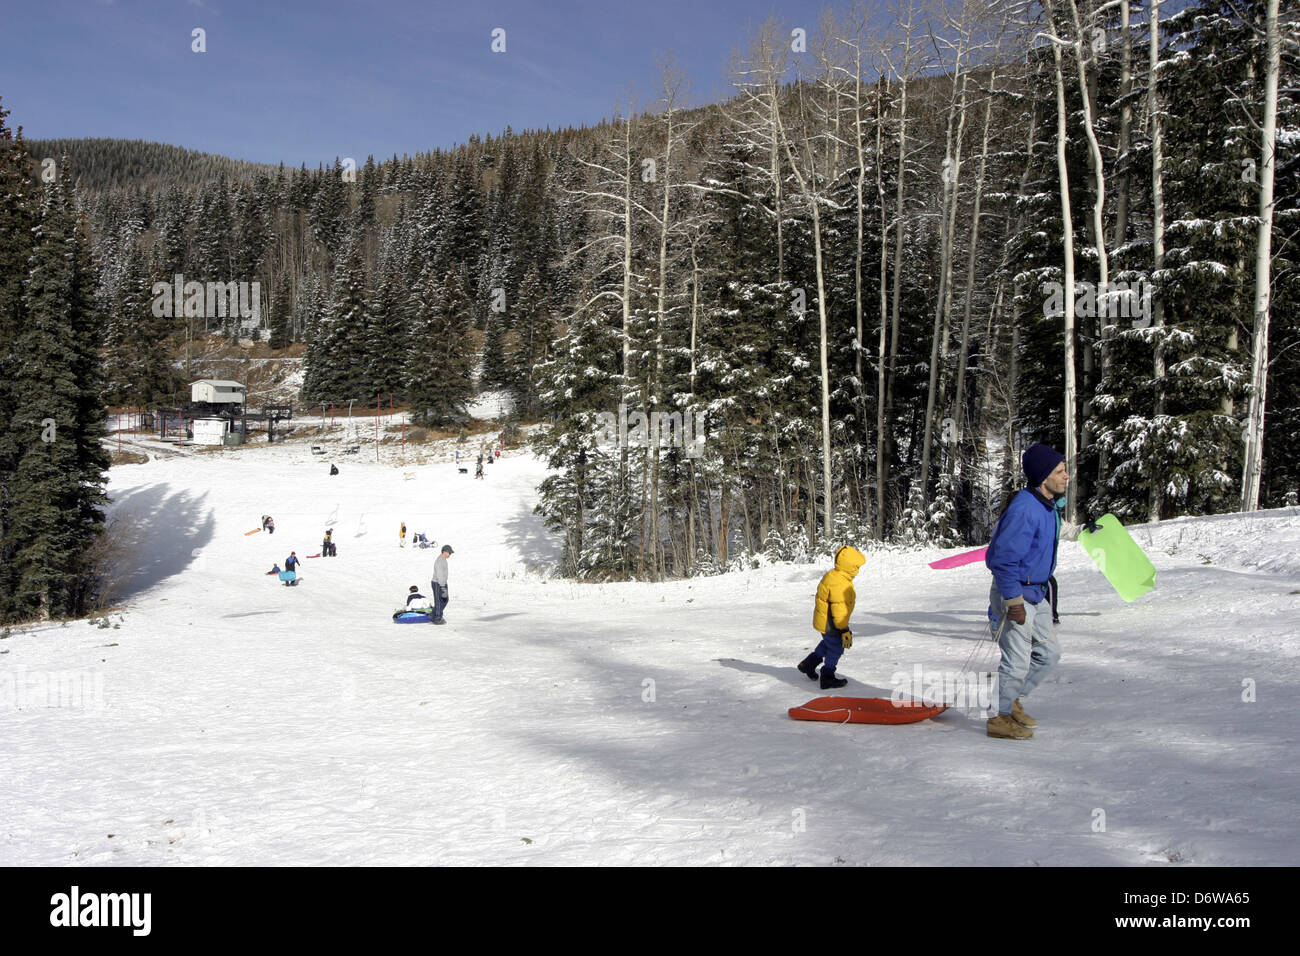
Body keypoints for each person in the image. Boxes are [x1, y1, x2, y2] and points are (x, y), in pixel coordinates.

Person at [983, 444, 1068, 740]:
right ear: (1043, 477)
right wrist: (1013, 602)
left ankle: (1012, 700)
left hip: (1036, 593)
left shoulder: (1048, 505)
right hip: (1016, 594)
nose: (1066, 475)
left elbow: (1052, 533)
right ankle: (998, 716)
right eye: (1060, 471)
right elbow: (1002, 560)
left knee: (1048, 654)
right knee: (1016, 661)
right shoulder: (1024, 509)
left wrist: (1084, 530)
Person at [797, 545, 867, 689]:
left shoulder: (834, 575)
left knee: (828, 644)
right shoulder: (840, 583)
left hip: (825, 622)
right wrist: (843, 629)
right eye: (856, 567)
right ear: (849, 566)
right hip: (832, 624)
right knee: (836, 648)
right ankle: (827, 676)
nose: (858, 571)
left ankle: (808, 664)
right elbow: (839, 609)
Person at [430, 545, 454, 625]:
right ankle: (437, 618)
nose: (450, 554)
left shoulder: (444, 560)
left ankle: (433, 615)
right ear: (445, 552)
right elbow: (439, 574)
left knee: (445, 599)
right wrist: (442, 585)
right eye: (449, 553)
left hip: (442, 583)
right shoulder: (440, 561)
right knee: (439, 601)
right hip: (438, 583)